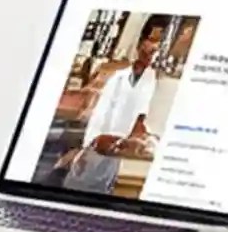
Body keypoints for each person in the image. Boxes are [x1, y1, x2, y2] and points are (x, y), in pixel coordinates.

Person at [52, 15, 169, 195]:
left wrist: (140, 137)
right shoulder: (117, 74)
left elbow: (142, 117)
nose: (153, 48)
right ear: (140, 43)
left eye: (158, 44)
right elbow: (98, 112)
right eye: (151, 41)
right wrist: (87, 145)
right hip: (94, 147)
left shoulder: (155, 81)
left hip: (115, 152)